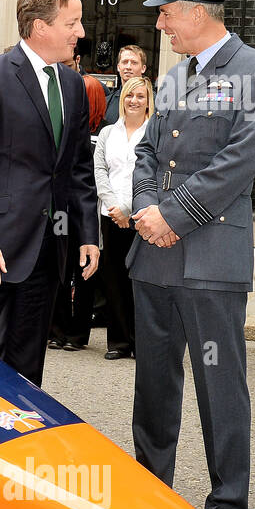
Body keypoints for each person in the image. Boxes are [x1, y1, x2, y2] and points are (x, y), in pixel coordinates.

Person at [129, 0, 255, 509]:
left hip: (209, 258)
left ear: (196, 12)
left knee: (220, 385)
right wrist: (146, 209)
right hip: (154, 257)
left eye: (166, 13)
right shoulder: (173, 76)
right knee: (154, 385)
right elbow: (146, 151)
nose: (161, 23)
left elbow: (240, 161)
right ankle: (150, 494)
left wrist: (172, 216)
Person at [0, 0, 100, 387]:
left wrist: (87, 233)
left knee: (25, 372)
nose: (81, 32)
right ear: (40, 27)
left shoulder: (72, 85)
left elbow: (77, 167)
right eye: (73, 22)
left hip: (48, 251)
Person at [48, 53, 108, 350]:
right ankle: (59, 330)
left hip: (85, 209)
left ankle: (75, 333)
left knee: (81, 270)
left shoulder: (105, 131)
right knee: (62, 268)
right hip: (64, 210)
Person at [93, 75, 152, 360]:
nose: (134, 101)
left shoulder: (154, 133)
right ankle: (118, 342)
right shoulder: (108, 134)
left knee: (138, 280)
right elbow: (100, 171)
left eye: (140, 96)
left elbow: (148, 175)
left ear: (148, 101)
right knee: (114, 279)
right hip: (111, 215)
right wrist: (114, 206)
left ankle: (141, 342)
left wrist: (127, 209)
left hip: (142, 216)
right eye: (129, 95)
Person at [104, 44, 148, 126]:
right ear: (118, 67)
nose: (128, 67)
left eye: (134, 63)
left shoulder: (155, 102)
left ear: (143, 68)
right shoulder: (106, 103)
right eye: (124, 62)